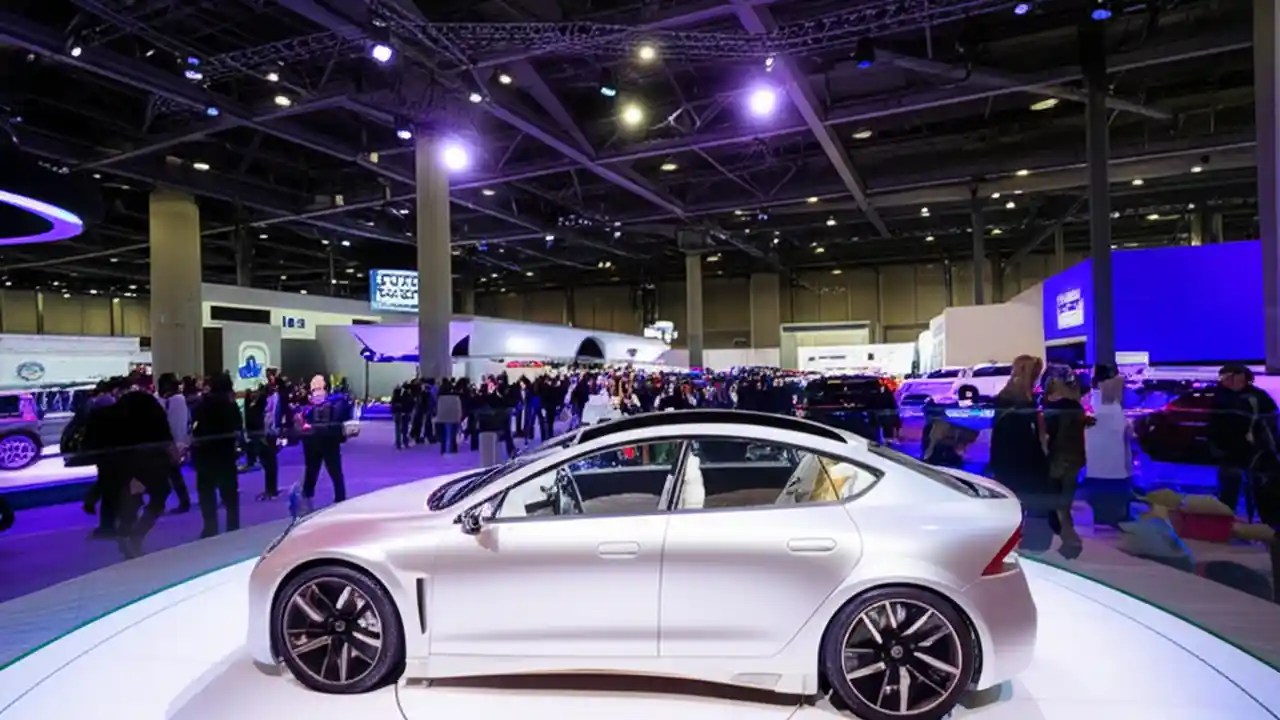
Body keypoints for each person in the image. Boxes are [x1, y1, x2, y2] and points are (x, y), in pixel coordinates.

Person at [988, 354, 1050, 550]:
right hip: (1021, 461)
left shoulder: (1006, 398)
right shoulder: (1022, 403)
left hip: (1006, 459)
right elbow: (1026, 437)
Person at [112, 373, 175, 558]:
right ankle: (135, 534)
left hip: (129, 459)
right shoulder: (149, 402)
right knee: (159, 493)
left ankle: (126, 532)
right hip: (152, 458)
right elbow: (163, 429)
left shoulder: (121, 406)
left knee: (133, 497)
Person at [191, 372, 243, 538]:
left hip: (206, 455)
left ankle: (210, 527)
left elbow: (196, 427)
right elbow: (238, 426)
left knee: (207, 492)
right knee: (230, 494)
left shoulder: (203, 404)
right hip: (226, 454)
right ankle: (233, 527)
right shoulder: (230, 405)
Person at [1042, 365, 1086, 558]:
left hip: (1058, 459)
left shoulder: (1053, 408)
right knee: (1065, 504)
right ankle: (1069, 539)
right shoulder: (1076, 406)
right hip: (1074, 459)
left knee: (1057, 504)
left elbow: (1047, 436)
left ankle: (1067, 538)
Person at [1084, 363, 1134, 527]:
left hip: (1097, 464)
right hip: (1114, 466)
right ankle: (1116, 516)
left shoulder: (1091, 402)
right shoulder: (1111, 403)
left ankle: (1104, 516)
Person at [1209, 364, 1258, 520]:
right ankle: (1226, 522)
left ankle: (1253, 522)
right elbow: (1214, 425)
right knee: (1229, 490)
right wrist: (1216, 446)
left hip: (1252, 452)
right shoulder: (1220, 398)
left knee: (1255, 491)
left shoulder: (1255, 397)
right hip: (1229, 453)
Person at [299, 375, 348, 512]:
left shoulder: (335, 403)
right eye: (314, 389)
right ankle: (307, 502)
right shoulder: (308, 408)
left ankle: (341, 501)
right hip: (313, 444)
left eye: (319, 388)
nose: (317, 392)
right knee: (311, 473)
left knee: (335, 473)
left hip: (328, 443)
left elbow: (340, 419)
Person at [157, 373, 192, 514]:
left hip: (170, 442)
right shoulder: (166, 399)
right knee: (171, 474)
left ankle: (182, 502)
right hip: (168, 441)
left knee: (171, 474)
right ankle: (181, 502)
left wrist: (177, 443)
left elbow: (177, 424)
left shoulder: (176, 400)